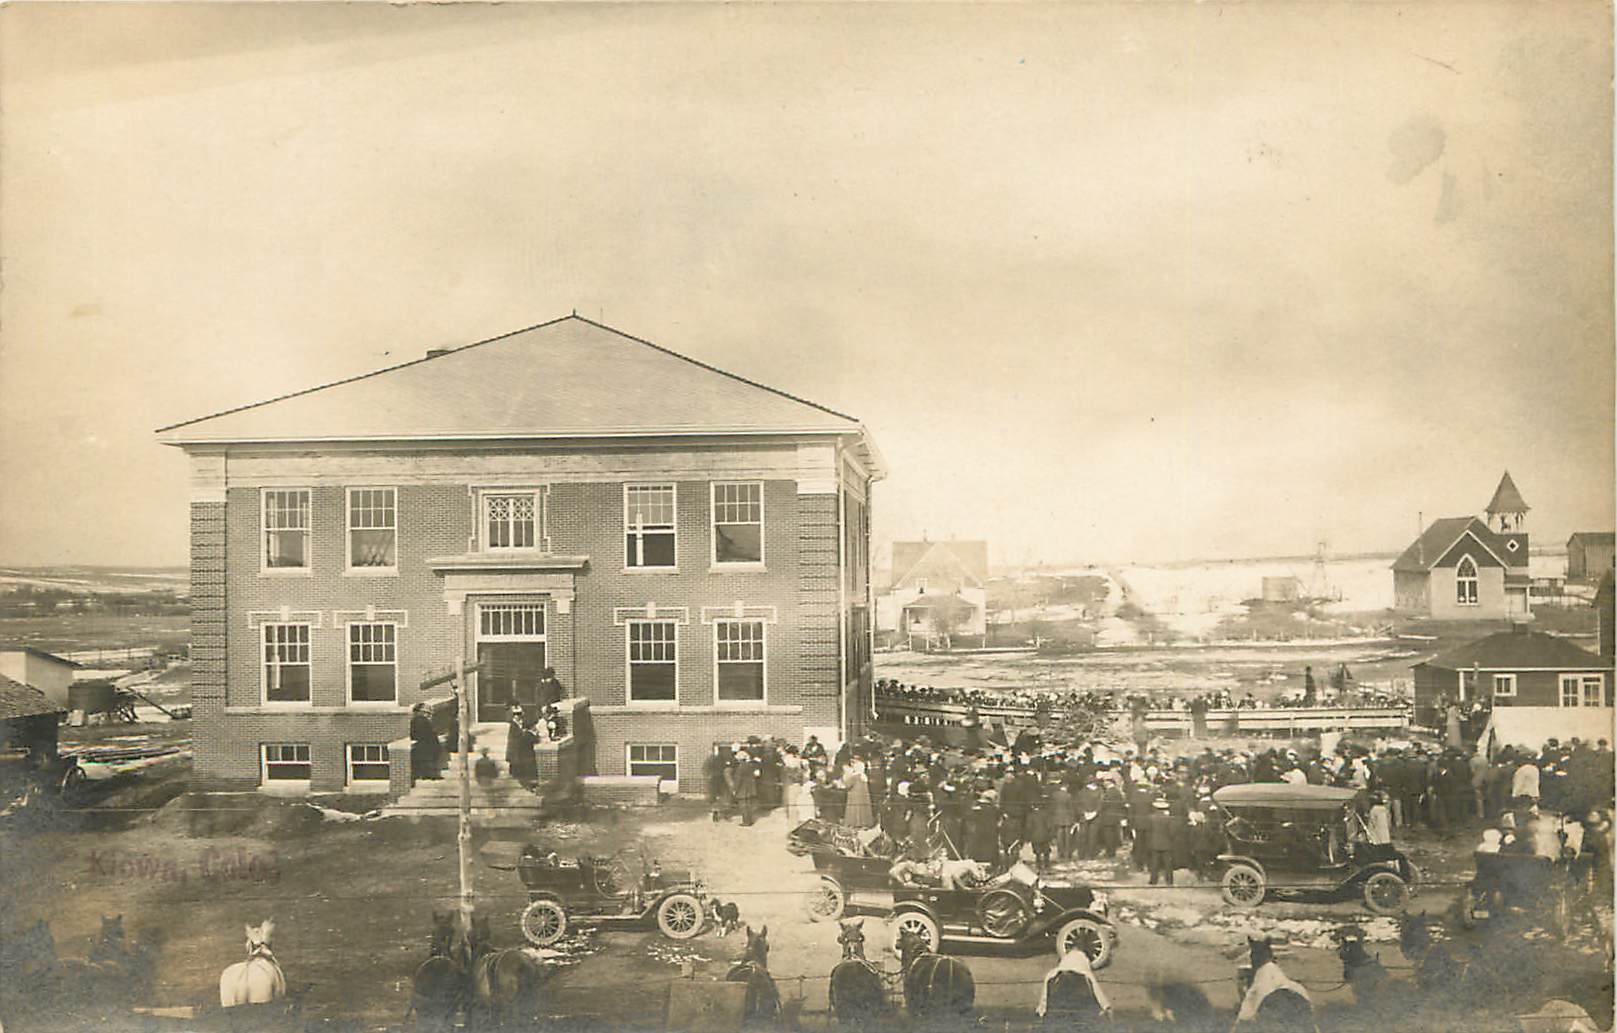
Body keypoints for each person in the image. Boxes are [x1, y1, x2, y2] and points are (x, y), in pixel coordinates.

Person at [1144, 797, 1176, 886]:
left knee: (1155, 862)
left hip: (1154, 843)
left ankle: (1153, 880)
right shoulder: (1169, 818)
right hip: (1167, 843)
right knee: (1168, 863)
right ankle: (1169, 881)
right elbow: (1172, 832)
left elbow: (1148, 832)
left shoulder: (1151, 818)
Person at [505, 706, 537, 788]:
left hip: (520, 746)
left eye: (519, 714)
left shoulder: (520, 723)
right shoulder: (513, 725)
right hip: (515, 746)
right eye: (516, 715)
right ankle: (515, 776)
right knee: (515, 760)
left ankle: (518, 775)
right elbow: (516, 736)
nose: (518, 716)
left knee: (518, 761)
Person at [410, 703, 442, 781]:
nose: (429, 715)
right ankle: (428, 775)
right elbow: (427, 733)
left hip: (424, 744)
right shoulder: (421, 720)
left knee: (426, 761)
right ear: (421, 712)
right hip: (426, 744)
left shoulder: (416, 720)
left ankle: (426, 775)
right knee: (427, 761)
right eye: (427, 713)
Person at [842, 754, 876, 829]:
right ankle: (864, 823)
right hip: (863, 795)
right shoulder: (863, 776)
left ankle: (854, 823)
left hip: (854, 795)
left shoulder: (855, 776)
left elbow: (847, 785)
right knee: (863, 808)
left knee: (855, 809)